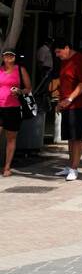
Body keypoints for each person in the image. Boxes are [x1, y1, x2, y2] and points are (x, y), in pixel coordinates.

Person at [53, 38, 82, 181]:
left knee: (77, 137)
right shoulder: (64, 61)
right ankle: (70, 166)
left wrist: (69, 99)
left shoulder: (80, 60)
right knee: (70, 136)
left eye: (59, 51)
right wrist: (59, 101)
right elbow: (62, 84)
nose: (57, 55)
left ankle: (75, 168)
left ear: (67, 47)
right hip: (66, 104)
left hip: (79, 105)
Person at [0, 47, 32, 177]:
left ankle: (7, 167)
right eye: (6, 56)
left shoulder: (20, 70)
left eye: (11, 56)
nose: (8, 58)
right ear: (2, 57)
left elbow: (28, 88)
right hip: (0, 107)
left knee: (11, 138)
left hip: (13, 108)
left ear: (15, 57)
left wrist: (19, 91)